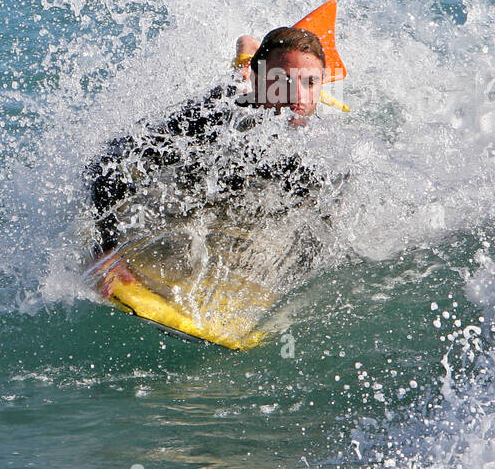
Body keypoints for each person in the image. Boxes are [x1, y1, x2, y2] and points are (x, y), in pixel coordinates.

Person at [85, 26, 336, 291]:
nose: (299, 97)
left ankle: (249, 55)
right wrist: (105, 249)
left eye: (310, 82)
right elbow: (108, 163)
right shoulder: (212, 119)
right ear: (259, 80)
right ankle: (245, 56)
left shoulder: (321, 145)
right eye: (283, 81)